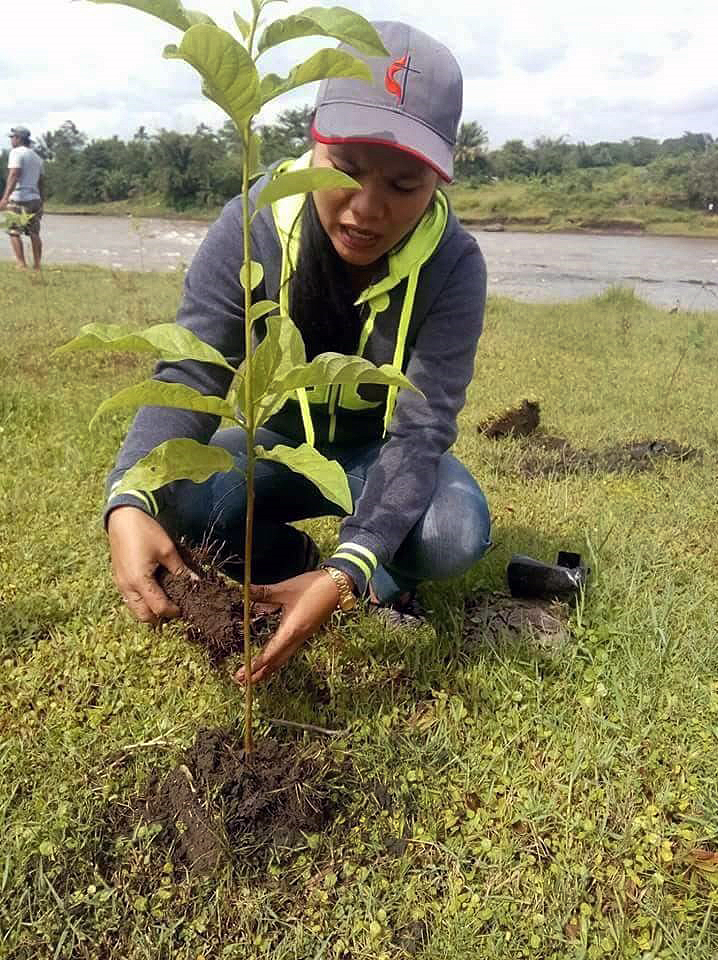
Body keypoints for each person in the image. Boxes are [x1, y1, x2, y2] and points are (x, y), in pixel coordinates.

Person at [106, 21, 492, 684]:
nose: (366, 212)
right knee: (178, 498)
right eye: (345, 169)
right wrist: (127, 498)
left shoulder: (454, 264)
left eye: (404, 187)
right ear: (313, 138)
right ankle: (290, 566)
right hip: (276, 443)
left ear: (439, 180)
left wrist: (353, 567)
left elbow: (423, 427)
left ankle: (374, 576)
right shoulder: (253, 225)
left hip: (380, 454)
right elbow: (193, 369)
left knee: (451, 531)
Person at [0, 126, 45, 269]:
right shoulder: (37, 157)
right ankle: (37, 266)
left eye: (12, 137)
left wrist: (5, 197)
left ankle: (21, 264)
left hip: (19, 198)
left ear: (18, 138)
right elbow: (41, 181)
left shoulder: (16, 153)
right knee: (34, 233)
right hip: (35, 198)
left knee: (13, 231)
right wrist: (41, 200)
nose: (11, 140)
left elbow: (14, 174)